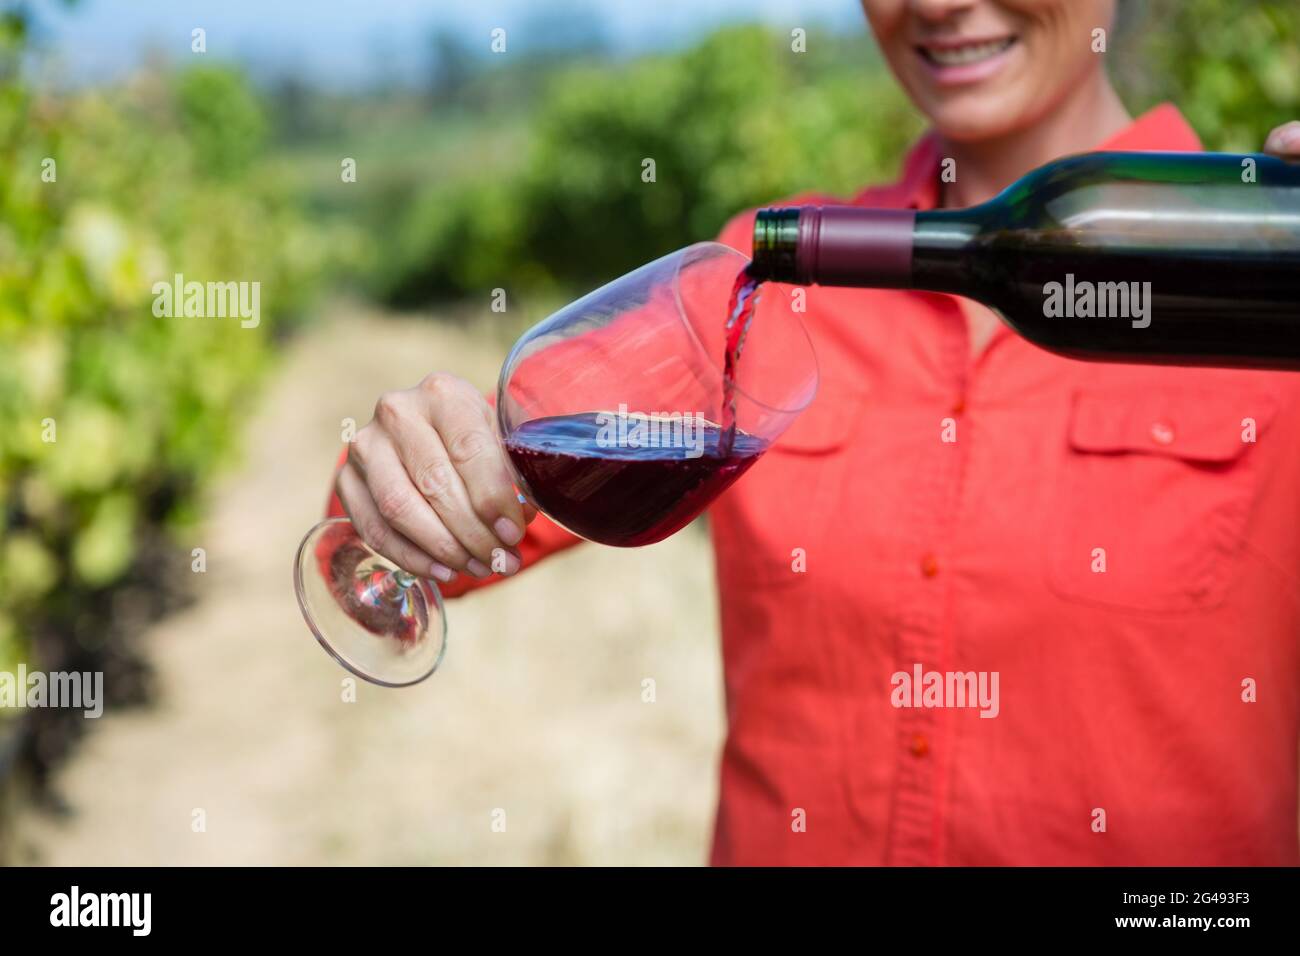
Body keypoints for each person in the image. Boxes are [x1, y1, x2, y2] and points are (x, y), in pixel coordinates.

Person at [327, 0, 1300, 865]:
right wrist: (402, 485)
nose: (937, 5)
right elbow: (447, 536)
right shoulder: (761, 275)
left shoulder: (1262, 265)